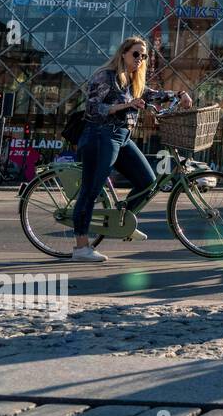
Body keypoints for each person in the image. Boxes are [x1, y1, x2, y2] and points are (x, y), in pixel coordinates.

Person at [70, 36, 192, 262]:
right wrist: (126, 105)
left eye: (143, 56)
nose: (140, 59)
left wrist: (178, 94)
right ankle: (81, 247)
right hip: (100, 136)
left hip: (122, 138)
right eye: (136, 54)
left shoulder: (133, 81)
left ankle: (123, 220)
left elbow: (151, 93)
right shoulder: (106, 76)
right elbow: (93, 109)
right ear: (123, 53)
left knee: (147, 181)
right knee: (91, 190)